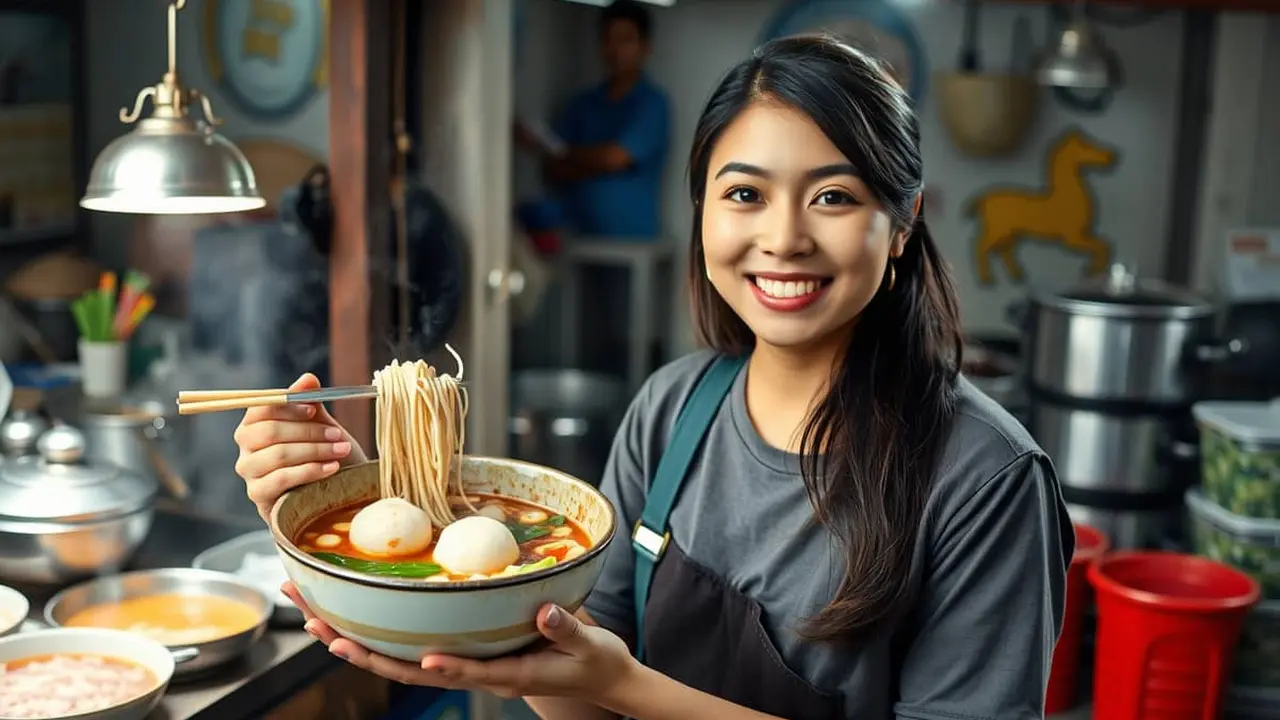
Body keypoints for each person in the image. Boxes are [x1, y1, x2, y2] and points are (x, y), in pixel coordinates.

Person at [234, 36, 1074, 720]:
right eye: (744, 193)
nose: (782, 238)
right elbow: (580, 693)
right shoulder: (674, 409)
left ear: (902, 224)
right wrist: (356, 505)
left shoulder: (986, 480)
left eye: (833, 198)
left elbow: (609, 685)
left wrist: (621, 685)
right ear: (701, 208)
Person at [515, 0, 670, 240]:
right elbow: (554, 170)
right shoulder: (582, 105)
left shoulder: (653, 105)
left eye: (626, 40)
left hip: (629, 233)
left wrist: (572, 157)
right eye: (608, 39)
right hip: (573, 228)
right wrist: (589, 161)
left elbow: (614, 157)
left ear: (645, 46)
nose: (615, 49)